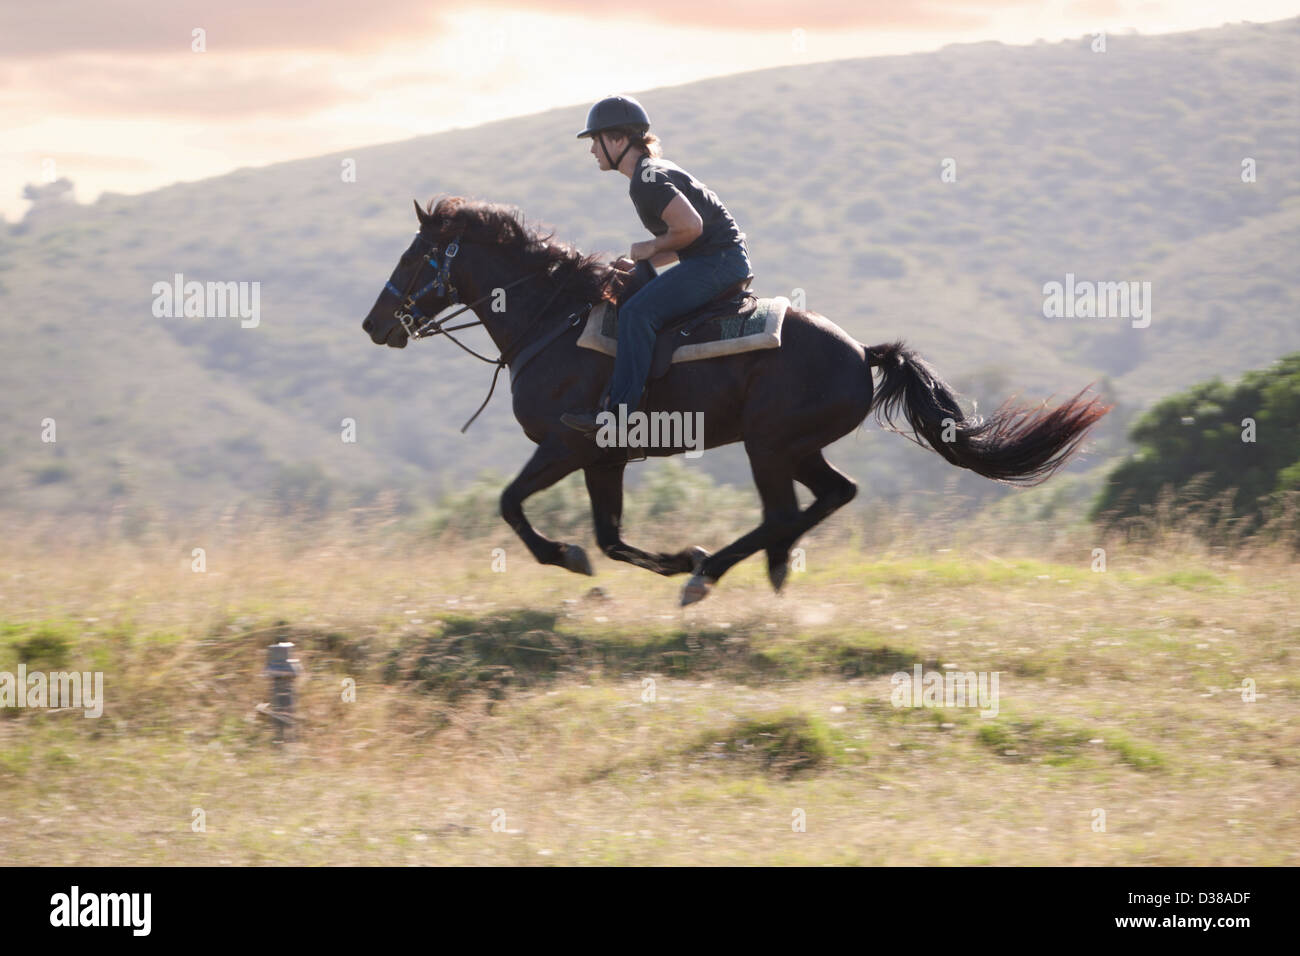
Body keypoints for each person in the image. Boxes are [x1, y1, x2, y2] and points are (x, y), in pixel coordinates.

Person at [561, 94, 753, 435]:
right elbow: (687, 237)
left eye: (596, 140)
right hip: (716, 260)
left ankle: (619, 418)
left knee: (637, 313)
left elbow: (690, 228)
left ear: (618, 139)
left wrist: (650, 246)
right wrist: (647, 257)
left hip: (718, 263)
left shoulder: (645, 179)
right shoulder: (653, 173)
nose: (592, 150)